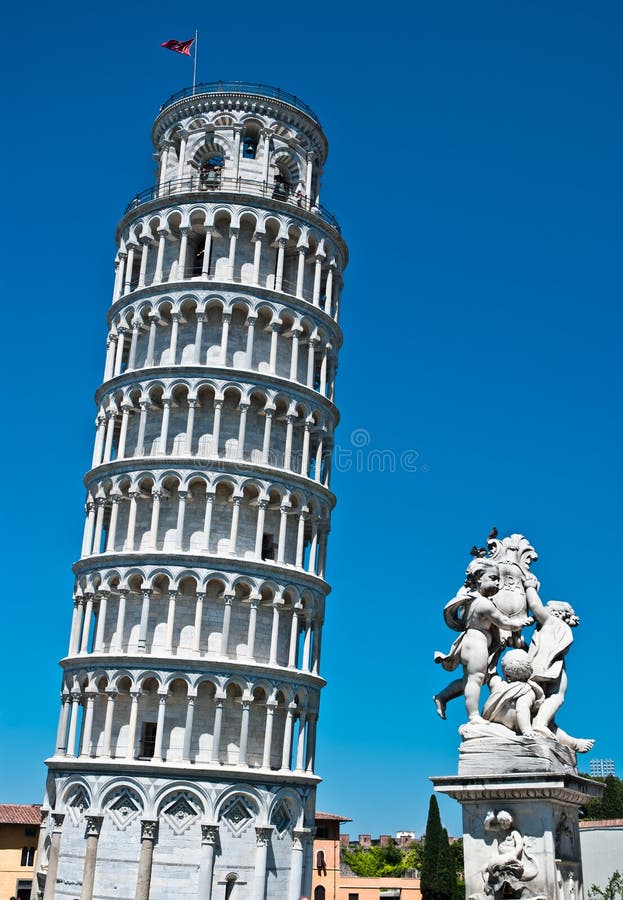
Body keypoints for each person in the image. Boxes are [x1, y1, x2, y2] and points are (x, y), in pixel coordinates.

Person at [434, 560, 533, 722]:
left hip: (470, 642)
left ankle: (442, 697)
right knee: (476, 679)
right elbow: (504, 622)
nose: (497, 583)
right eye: (493, 578)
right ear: (479, 577)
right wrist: (521, 622)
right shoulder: (484, 604)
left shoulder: (469, 599)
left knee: (472, 679)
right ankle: (473, 716)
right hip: (476, 642)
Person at [482, 650, 545, 736]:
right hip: (516, 727)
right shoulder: (527, 690)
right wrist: (526, 729)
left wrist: (496, 651)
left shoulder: (499, 686)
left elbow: (491, 674)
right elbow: (522, 708)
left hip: (495, 724)